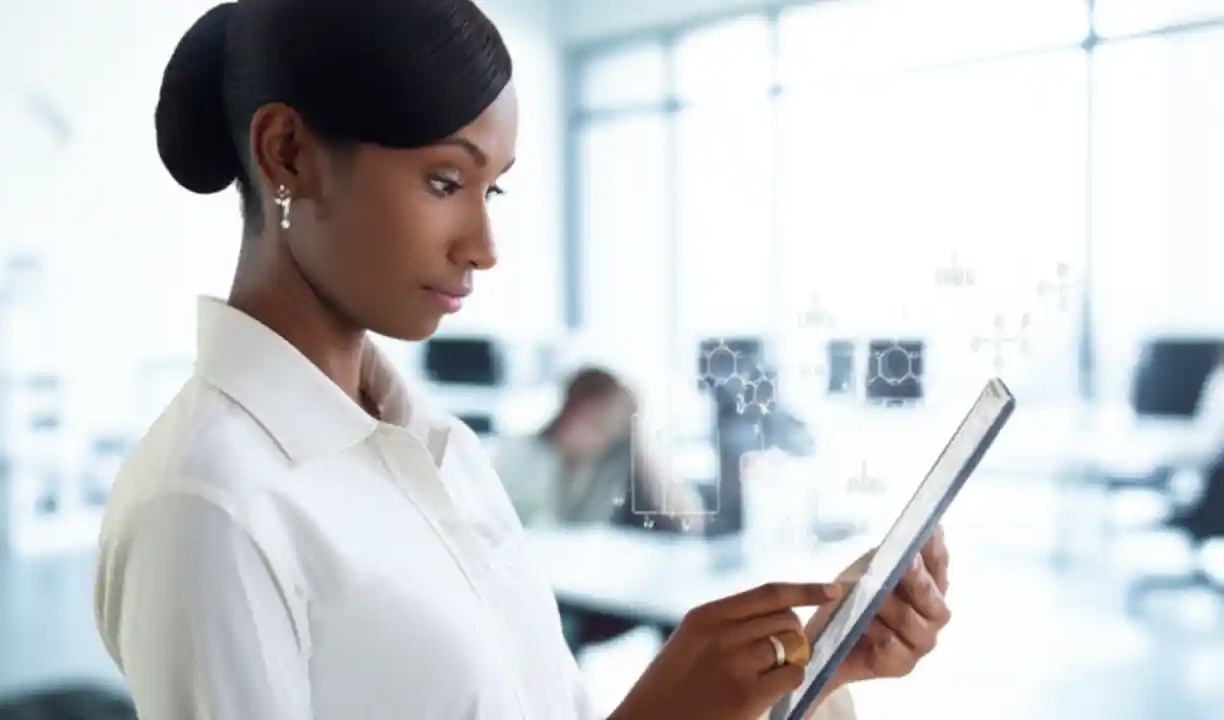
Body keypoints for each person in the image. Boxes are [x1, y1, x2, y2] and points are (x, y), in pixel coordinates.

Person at [92, 2, 953, 718]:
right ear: (288, 153)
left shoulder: (438, 448)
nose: (484, 246)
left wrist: (800, 671)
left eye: (492, 187)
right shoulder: (208, 508)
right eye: (443, 182)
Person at [494, 367, 704, 531]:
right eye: (596, 424)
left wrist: (642, 445)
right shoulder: (517, 455)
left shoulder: (609, 467)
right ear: (570, 410)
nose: (600, 440)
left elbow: (688, 518)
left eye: (611, 432)